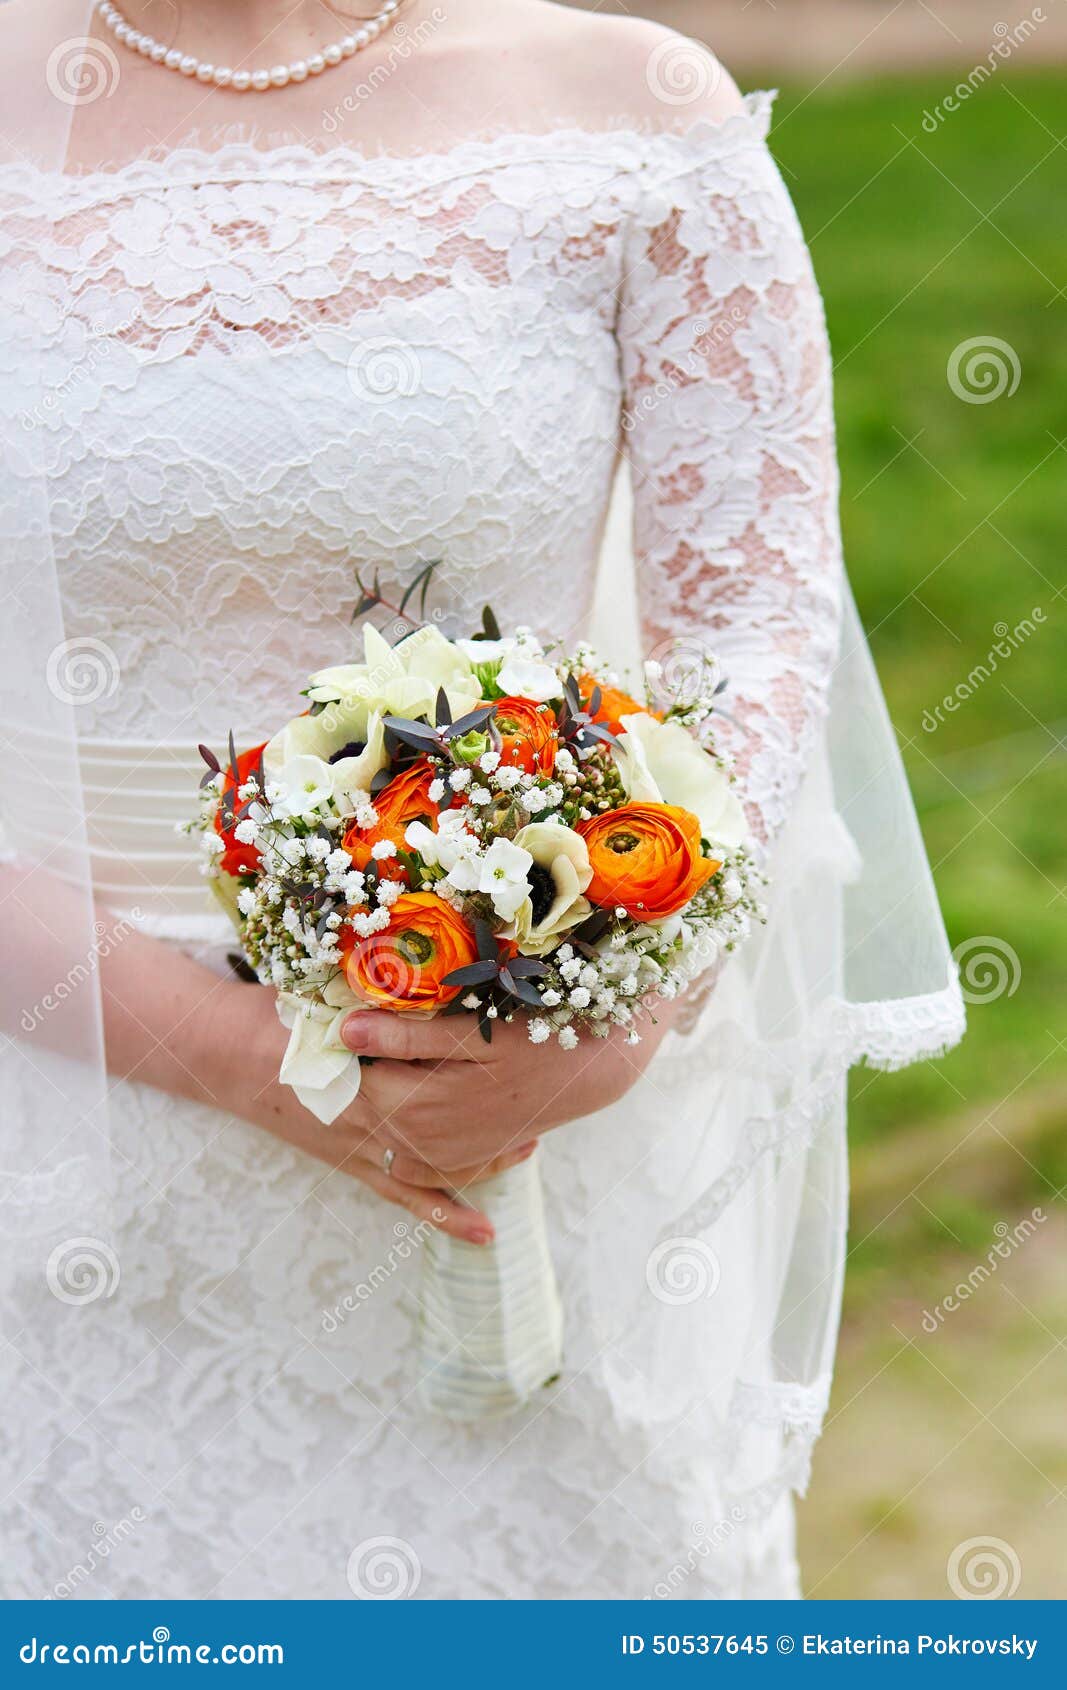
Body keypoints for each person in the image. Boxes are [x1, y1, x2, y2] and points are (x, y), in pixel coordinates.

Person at [0, 0, 963, 1599]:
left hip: (525, 1117)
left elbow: (754, 619)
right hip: (59, 1127)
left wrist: (625, 1002)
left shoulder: (634, 113)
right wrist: (253, 1057)